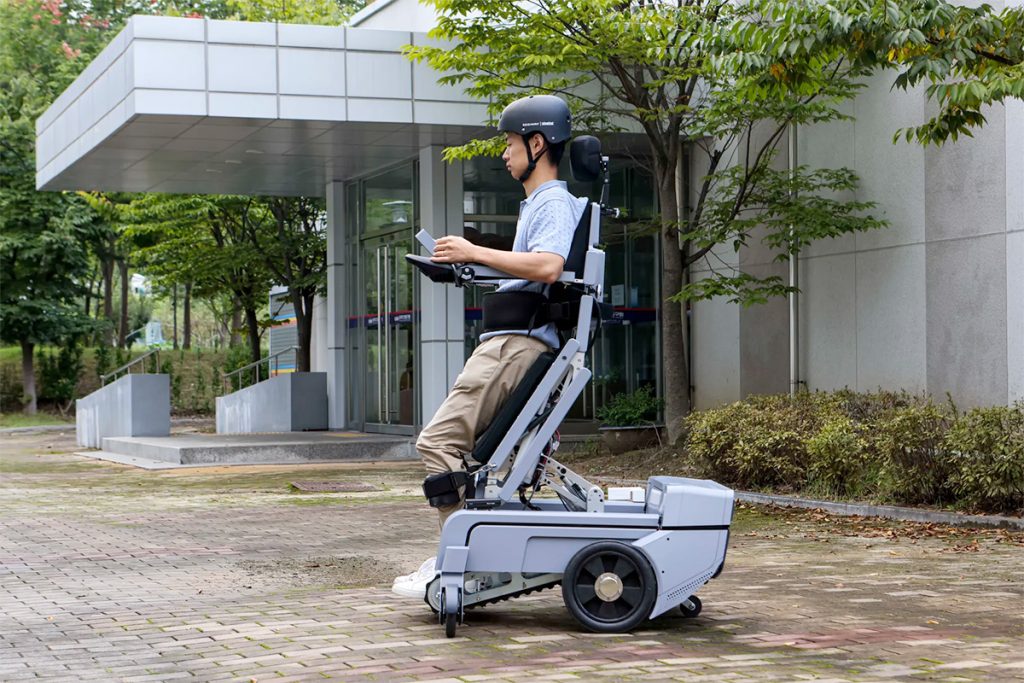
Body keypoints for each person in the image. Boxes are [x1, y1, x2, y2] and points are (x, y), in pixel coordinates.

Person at [392, 94, 588, 598]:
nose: (504, 153)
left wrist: (474, 251)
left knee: (437, 444)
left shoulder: (551, 203)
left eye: (509, 142)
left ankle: (461, 562)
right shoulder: (537, 205)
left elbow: (547, 266)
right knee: (455, 451)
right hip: (508, 343)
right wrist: (463, 266)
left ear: (537, 143)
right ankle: (458, 555)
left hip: (514, 347)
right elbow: (532, 272)